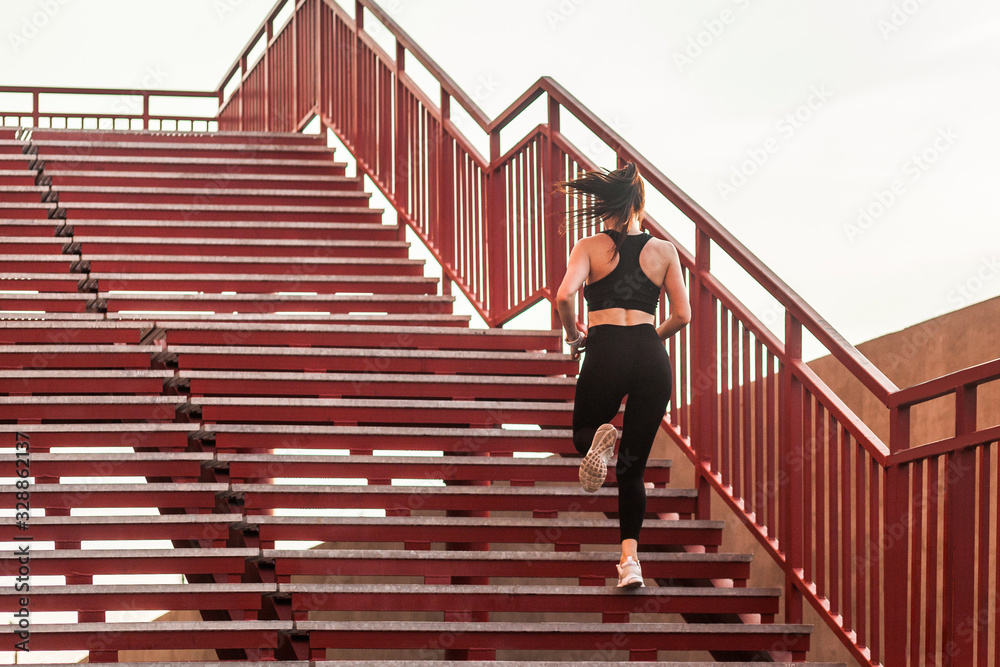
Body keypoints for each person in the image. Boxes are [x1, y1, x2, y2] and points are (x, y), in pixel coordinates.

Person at [553, 162, 691, 589]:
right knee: (633, 470)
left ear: (606, 206)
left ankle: (600, 438)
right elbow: (683, 316)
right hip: (651, 358)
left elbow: (563, 296)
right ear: (640, 205)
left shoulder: (589, 246)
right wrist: (652, 337)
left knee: (581, 435)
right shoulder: (665, 251)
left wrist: (575, 335)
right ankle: (630, 564)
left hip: (606, 348)